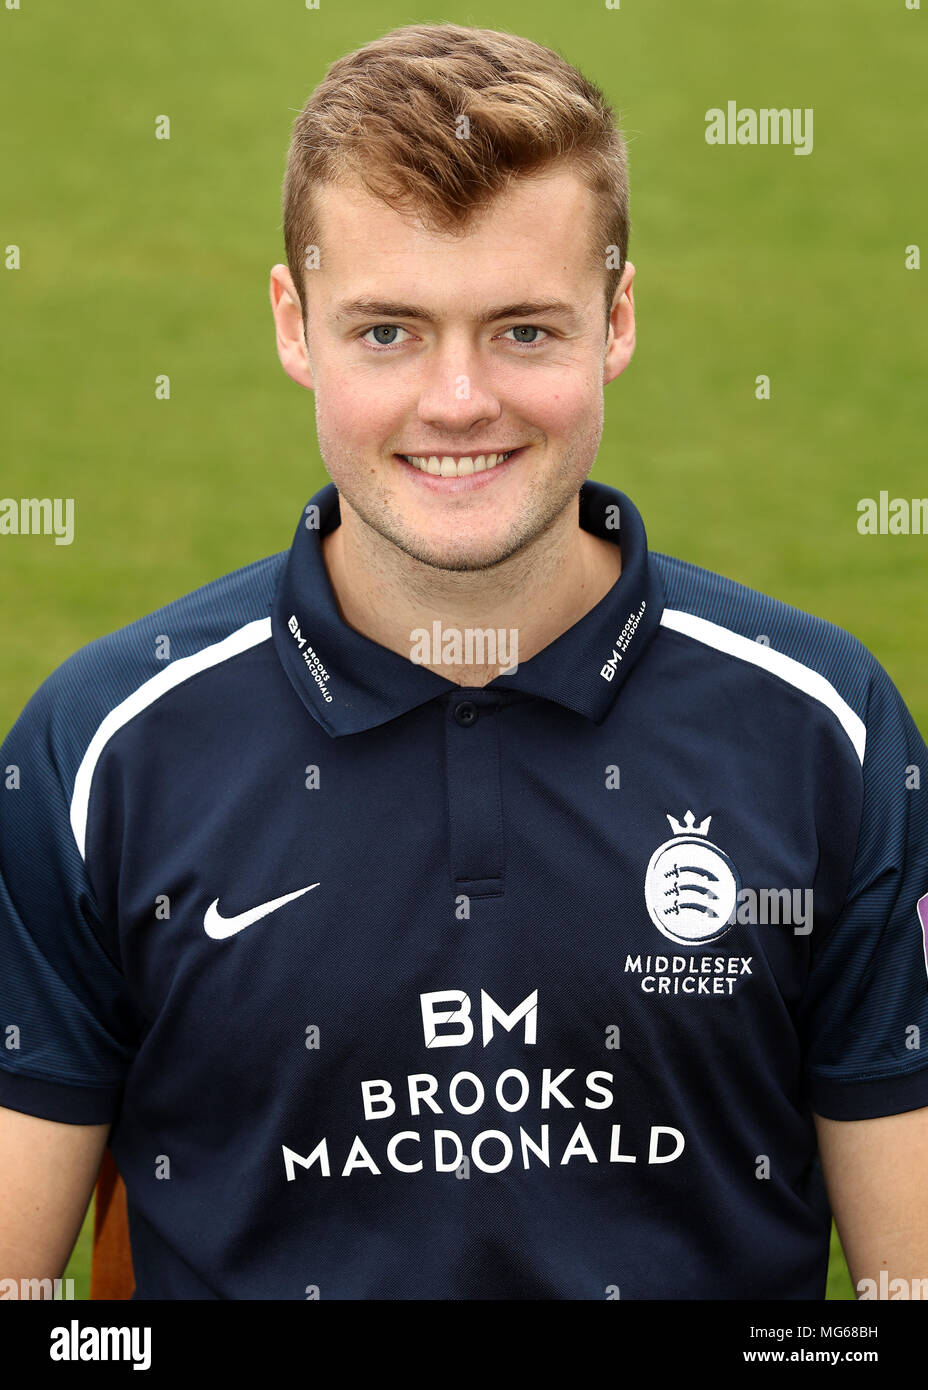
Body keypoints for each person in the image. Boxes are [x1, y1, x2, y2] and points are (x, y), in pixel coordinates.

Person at [1, 21, 926, 1301]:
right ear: (294, 325)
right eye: (386, 332)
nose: (456, 400)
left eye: (523, 332)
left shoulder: (827, 729)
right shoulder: (96, 749)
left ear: (616, 321)